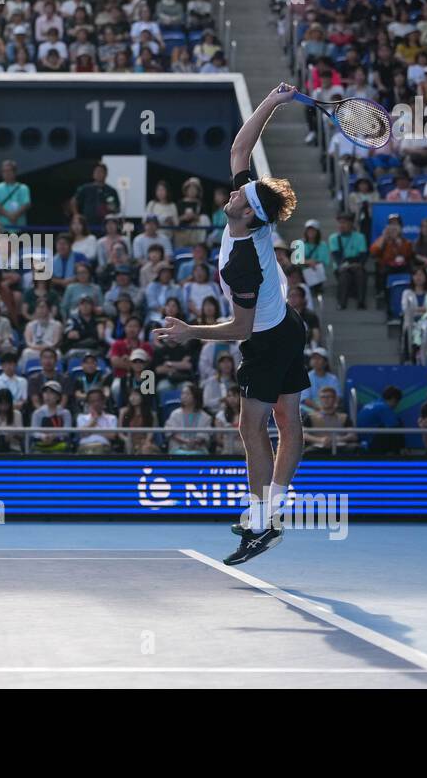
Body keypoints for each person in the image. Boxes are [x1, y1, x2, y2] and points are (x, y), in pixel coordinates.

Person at [154, 82, 307, 564]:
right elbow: (242, 145)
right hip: (285, 324)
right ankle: (272, 515)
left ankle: (262, 519)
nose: (233, 192)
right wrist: (274, 100)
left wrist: (190, 332)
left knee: (252, 427)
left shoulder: (244, 262)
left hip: (266, 338)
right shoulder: (249, 213)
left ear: (248, 213)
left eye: (240, 195)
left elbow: (240, 330)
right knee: (285, 419)